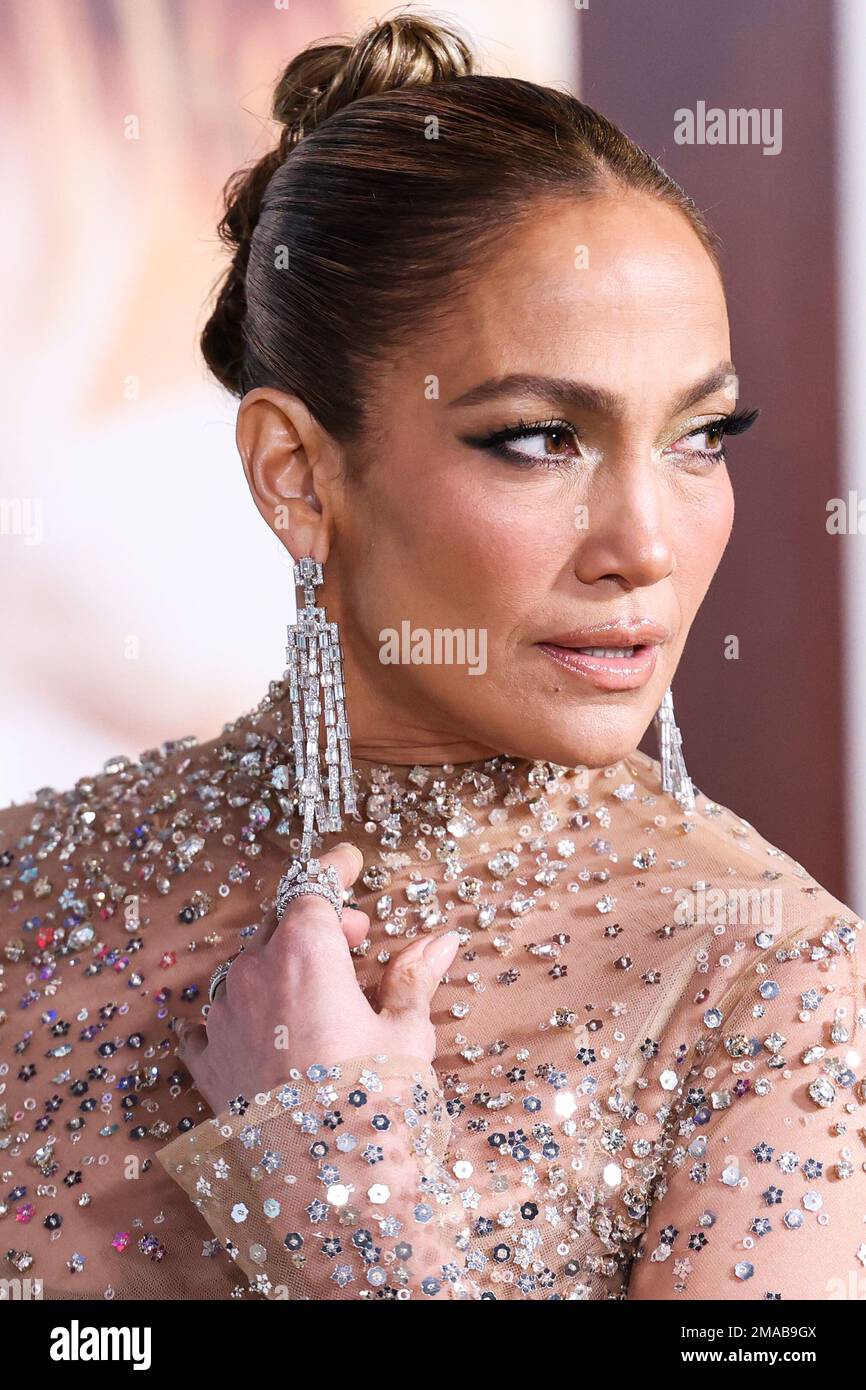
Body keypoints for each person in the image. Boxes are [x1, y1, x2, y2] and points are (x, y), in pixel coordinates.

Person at [1, 13, 863, 1303]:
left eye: (700, 436)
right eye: (537, 439)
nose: (645, 543)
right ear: (297, 474)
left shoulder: (766, 977)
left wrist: (339, 1194)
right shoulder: (25, 897)